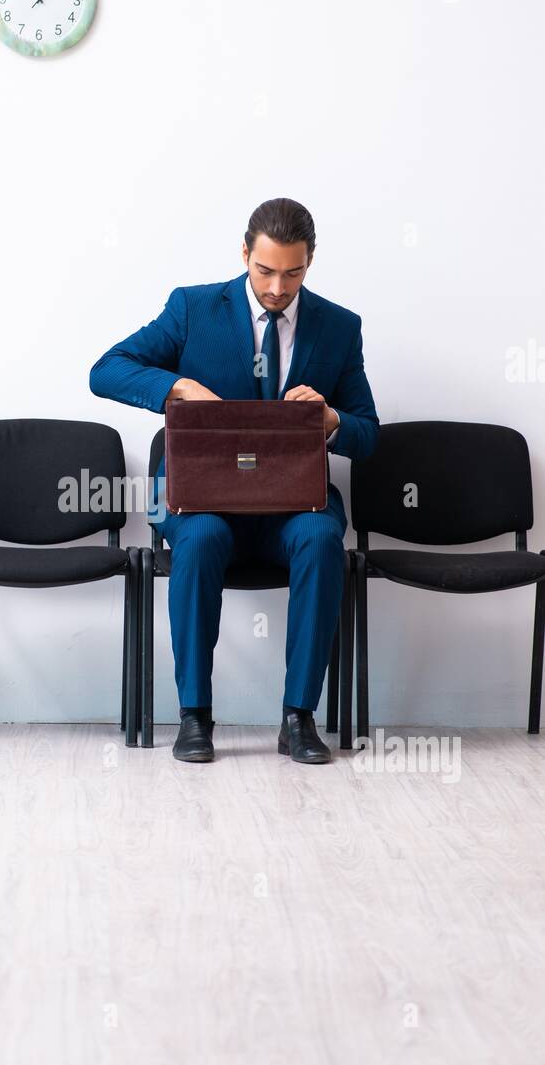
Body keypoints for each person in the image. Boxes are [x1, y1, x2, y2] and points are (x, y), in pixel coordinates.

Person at [89, 197, 379, 765]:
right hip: (204, 499)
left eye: (292, 272)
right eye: (265, 270)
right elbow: (106, 370)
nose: (277, 287)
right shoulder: (194, 309)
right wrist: (179, 388)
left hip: (291, 505)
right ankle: (194, 717)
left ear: (310, 261)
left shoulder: (339, 328)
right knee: (200, 541)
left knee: (322, 539)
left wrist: (332, 421)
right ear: (245, 253)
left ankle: (299, 717)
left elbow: (369, 435)